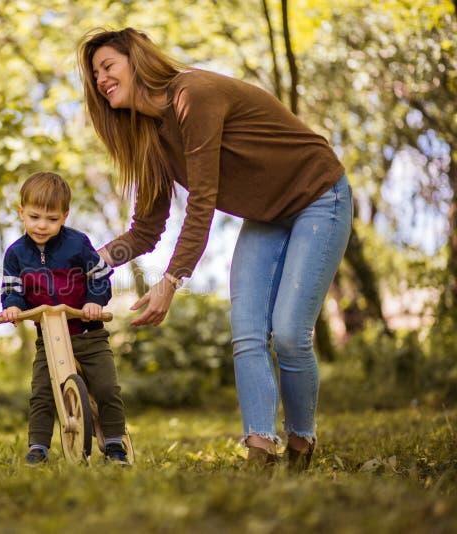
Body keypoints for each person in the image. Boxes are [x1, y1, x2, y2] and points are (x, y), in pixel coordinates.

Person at [77, 28, 352, 468]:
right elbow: (146, 231)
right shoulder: (151, 136)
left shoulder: (193, 94)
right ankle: (261, 451)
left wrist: (171, 281)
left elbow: (203, 198)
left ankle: (301, 445)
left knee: (287, 333)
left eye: (108, 66)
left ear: (137, 59)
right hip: (268, 216)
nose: (101, 79)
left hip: (319, 195)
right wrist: (94, 262)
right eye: (95, 75)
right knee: (247, 332)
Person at [0, 171, 129, 465]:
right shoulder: (16, 254)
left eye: (52, 219)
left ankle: (114, 443)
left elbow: (99, 278)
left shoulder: (77, 244)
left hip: (88, 333)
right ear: (21, 212)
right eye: (34, 217)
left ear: (65, 216)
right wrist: (13, 307)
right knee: (42, 393)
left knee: (107, 388)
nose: (42, 225)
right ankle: (38, 447)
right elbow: (12, 290)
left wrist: (94, 302)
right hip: (50, 337)